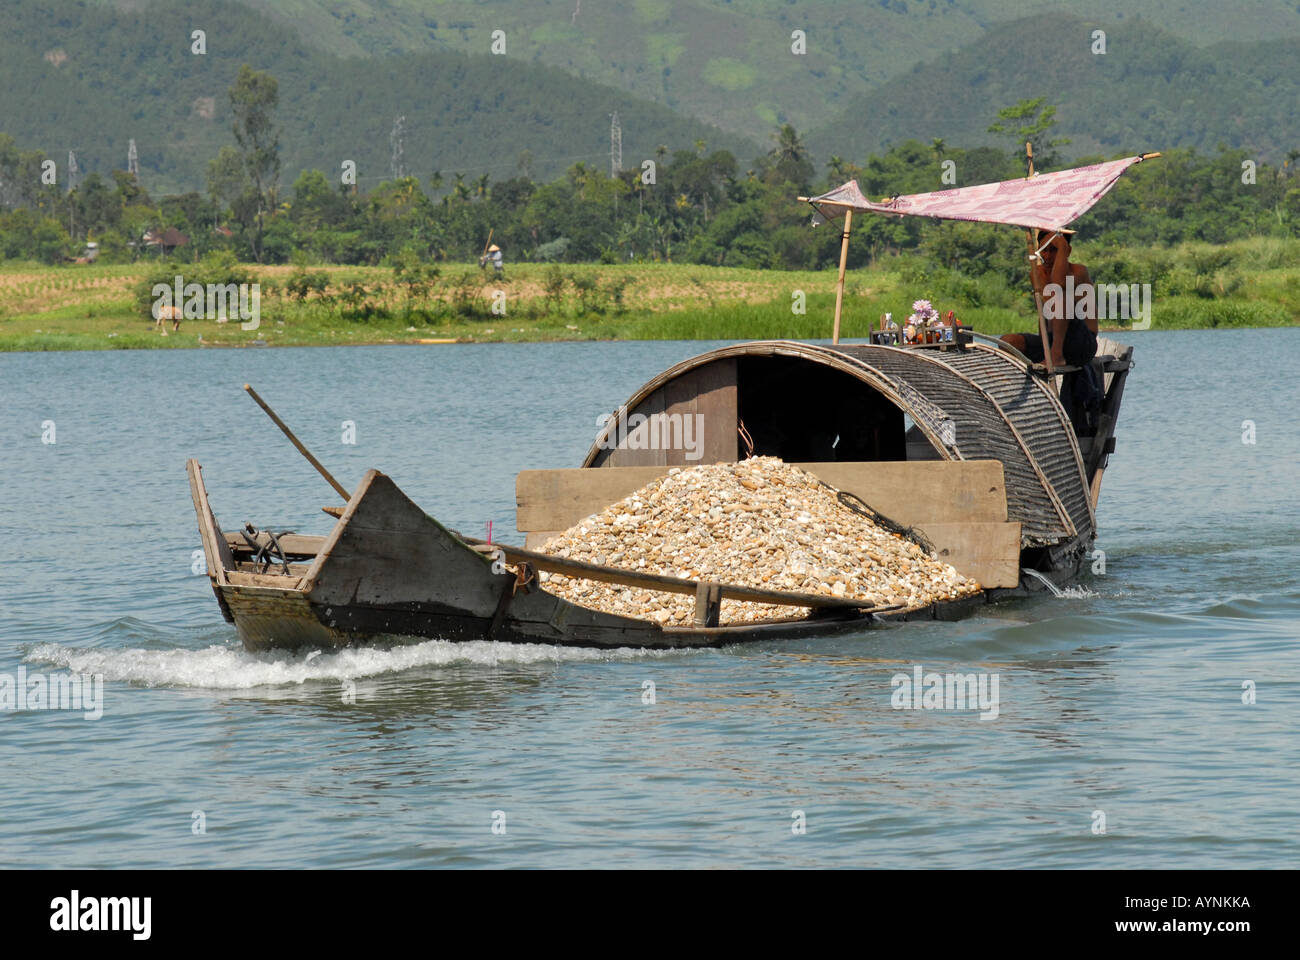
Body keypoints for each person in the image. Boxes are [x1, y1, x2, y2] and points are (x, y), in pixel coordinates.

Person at [1001, 231, 1097, 369]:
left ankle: (1056, 355)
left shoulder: (1079, 271)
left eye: (1054, 250)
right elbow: (1045, 312)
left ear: (1067, 251)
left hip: (1081, 345)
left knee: (1059, 297)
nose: (1047, 256)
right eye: (1044, 250)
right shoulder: (1037, 273)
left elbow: (1058, 285)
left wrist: (1062, 245)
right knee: (1008, 342)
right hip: (1050, 343)